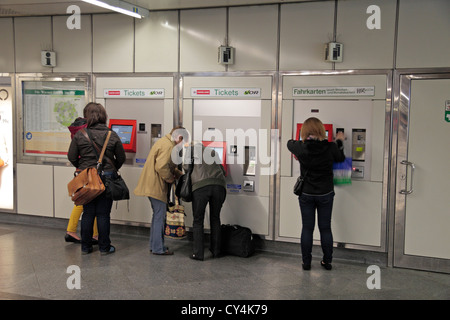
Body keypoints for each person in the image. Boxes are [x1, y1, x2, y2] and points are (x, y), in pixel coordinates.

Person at [287, 117, 345, 271]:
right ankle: (327, 262)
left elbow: (289, 143)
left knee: (307, 228)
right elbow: (341, 158)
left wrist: (303, 142)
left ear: (304, 132)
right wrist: (339, 141)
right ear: (321, 130)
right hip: (325, 193)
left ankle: (306, 263)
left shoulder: (301, 147)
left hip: (306, 193)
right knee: (325, 228)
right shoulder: (330, 147)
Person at [67, 103, 126, 255]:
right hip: (106, 179)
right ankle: (104, 247)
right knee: (103, 214)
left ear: (87, 116)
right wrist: (112, 169)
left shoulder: (81, 134)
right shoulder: (111, 135)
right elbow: (121, 157)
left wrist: (84, 169)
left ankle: (85, 247)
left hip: (87, 180)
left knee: (88, 213)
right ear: (103, 116)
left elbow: (71, 156)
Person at [134, 126, 185, 255]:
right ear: (178, 137)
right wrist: (169, 178)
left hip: (151, 185)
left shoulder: (164, 142)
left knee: (157, 216)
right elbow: (161, 166)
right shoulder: (169, 146)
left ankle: (154, 245)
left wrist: (179, 174)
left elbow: (167, 164)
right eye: (182, 140)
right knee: (160, 217)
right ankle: (158, 248)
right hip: (155, 186)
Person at [184, 142, 227, 261]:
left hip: (201, 187)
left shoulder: (191, 150)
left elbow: (186, 168)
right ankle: (216, 251)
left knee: (198, 220)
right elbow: (223, 171)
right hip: (219, 186)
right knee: (215, 218)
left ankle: (198, 254)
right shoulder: (212, 151)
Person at [64, 117, 98, 244]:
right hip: (87, 171)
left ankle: (72, 231)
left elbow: (73, 154)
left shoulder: (76, 134)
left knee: (84, 200)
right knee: (89, 201)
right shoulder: (86, 132)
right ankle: (92, 234)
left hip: (80, 170)